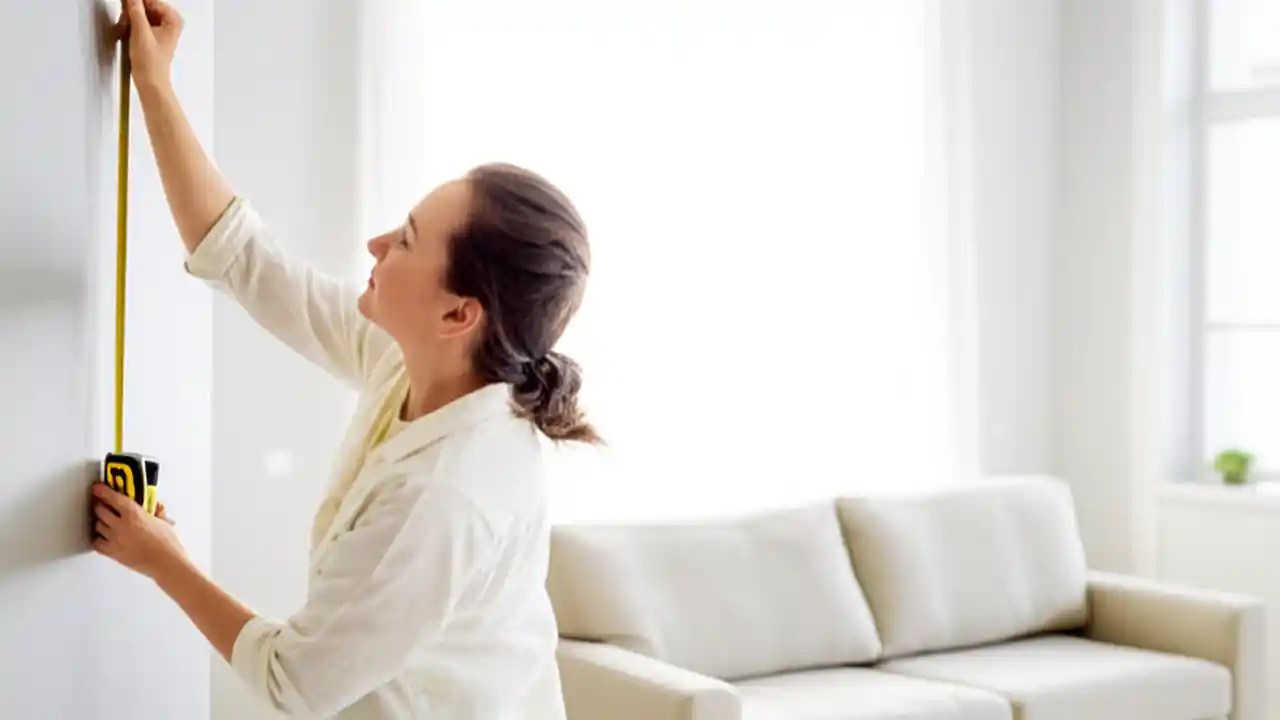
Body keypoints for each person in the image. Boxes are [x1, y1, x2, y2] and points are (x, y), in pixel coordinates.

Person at [89, 1, 597, 717]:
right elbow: (245, 260)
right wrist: (154, 82)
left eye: (409, 240)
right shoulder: (421, 363)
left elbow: (296, 682)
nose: (377, 245)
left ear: (459, 314)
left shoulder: (447, 498)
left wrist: (161, 558)